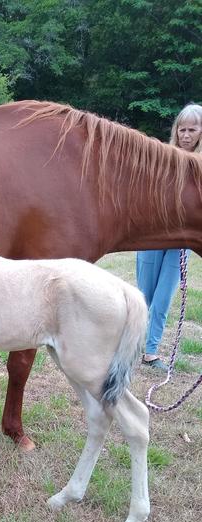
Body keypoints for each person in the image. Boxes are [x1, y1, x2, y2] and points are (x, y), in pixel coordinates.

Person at [136, 103, 202, 370]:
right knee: (143, 298)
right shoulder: (163, 158)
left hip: (180, 244)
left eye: (192, 130)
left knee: (163, 299)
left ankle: (150, 352)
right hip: (153, 237)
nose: (186, 135)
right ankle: (130, 348)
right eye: (182, 129)